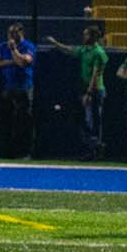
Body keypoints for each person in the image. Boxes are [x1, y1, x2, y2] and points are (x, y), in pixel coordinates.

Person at [46, 26, 109, 159]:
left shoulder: (98, 52)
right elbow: (70, 50)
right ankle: (94, 147)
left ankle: (95, 149)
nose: (83, 37)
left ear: (93, 37)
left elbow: (95, 75)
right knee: (84, 121)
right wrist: (55, 43)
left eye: (86, 35)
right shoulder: (84, 50)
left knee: (92, 121)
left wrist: (89, 93)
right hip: (85, 89)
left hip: (95, 91)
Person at [0, 22, 36, 159]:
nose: (10, 36)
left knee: (23, 121)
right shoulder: (2, 46)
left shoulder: (28, 46)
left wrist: (14, 51)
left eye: (13, 33)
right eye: (9, 33)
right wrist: (11, 62)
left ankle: (25, 152)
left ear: (20, 33)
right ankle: (7, 151)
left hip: (23, 88)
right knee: (7, 121)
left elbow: (24, 62)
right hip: (8, 88)